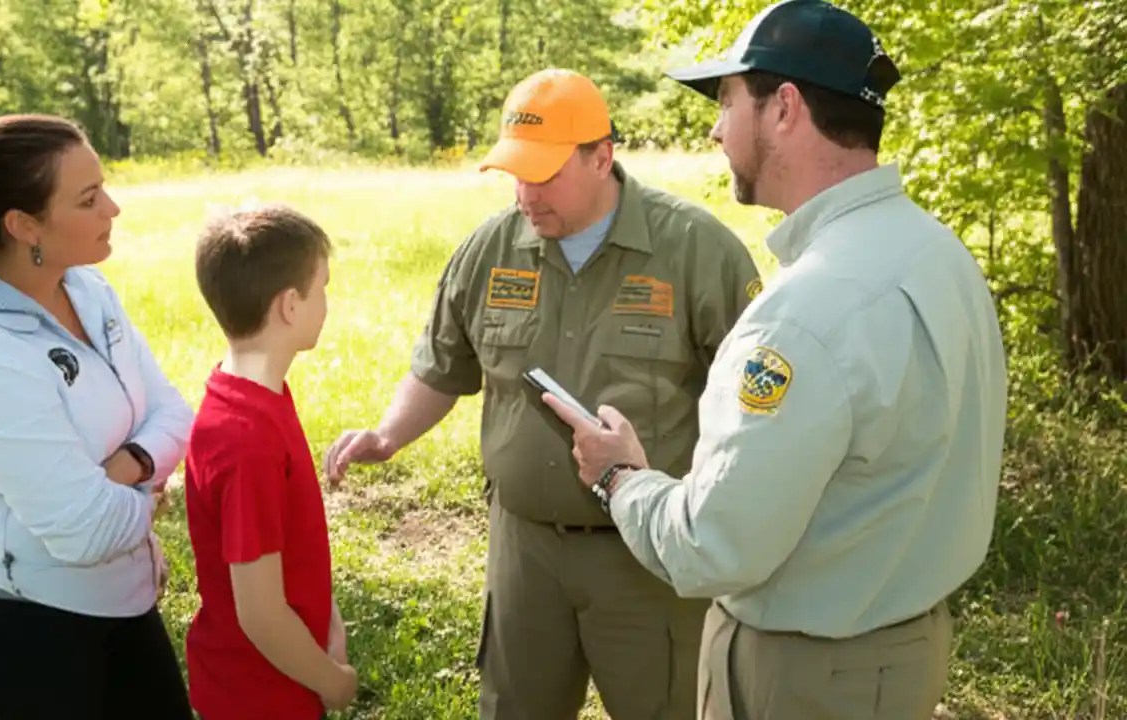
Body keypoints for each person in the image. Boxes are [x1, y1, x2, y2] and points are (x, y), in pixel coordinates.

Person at [541, 2, 1009, 718]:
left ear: (783, 107)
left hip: (805, 675)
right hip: (906, 653)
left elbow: (711, 547)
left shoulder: (802, 314)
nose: (715, 127)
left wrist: (619, 477)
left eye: (727, 101)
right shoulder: (939, 254)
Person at [323, 68, 761, 719]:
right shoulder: (489, 251)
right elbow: (443, 364)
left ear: (601, 157)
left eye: (546, 173)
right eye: (516, 174)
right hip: (525, 551)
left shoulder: (697, 251)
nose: (526, 193)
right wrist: (388, 435)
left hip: (645, 555)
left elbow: (753, 408)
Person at [0, 114, 194, 719]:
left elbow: (174, 411)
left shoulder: (88, 288)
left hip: (122, 600)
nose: (113, 208)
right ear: (23, 226)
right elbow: (85, 533)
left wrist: (123, 469)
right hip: (26, 629)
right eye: (90, 199)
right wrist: (150, 495)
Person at [184, 205, 356, 720]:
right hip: (259, 696)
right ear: (289, 306)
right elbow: (260, 612)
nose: (326, 301)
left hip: (276, 682)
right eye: (322, 288)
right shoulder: (246, 438)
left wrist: (329, 620)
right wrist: (335, 681)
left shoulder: (255, 391)